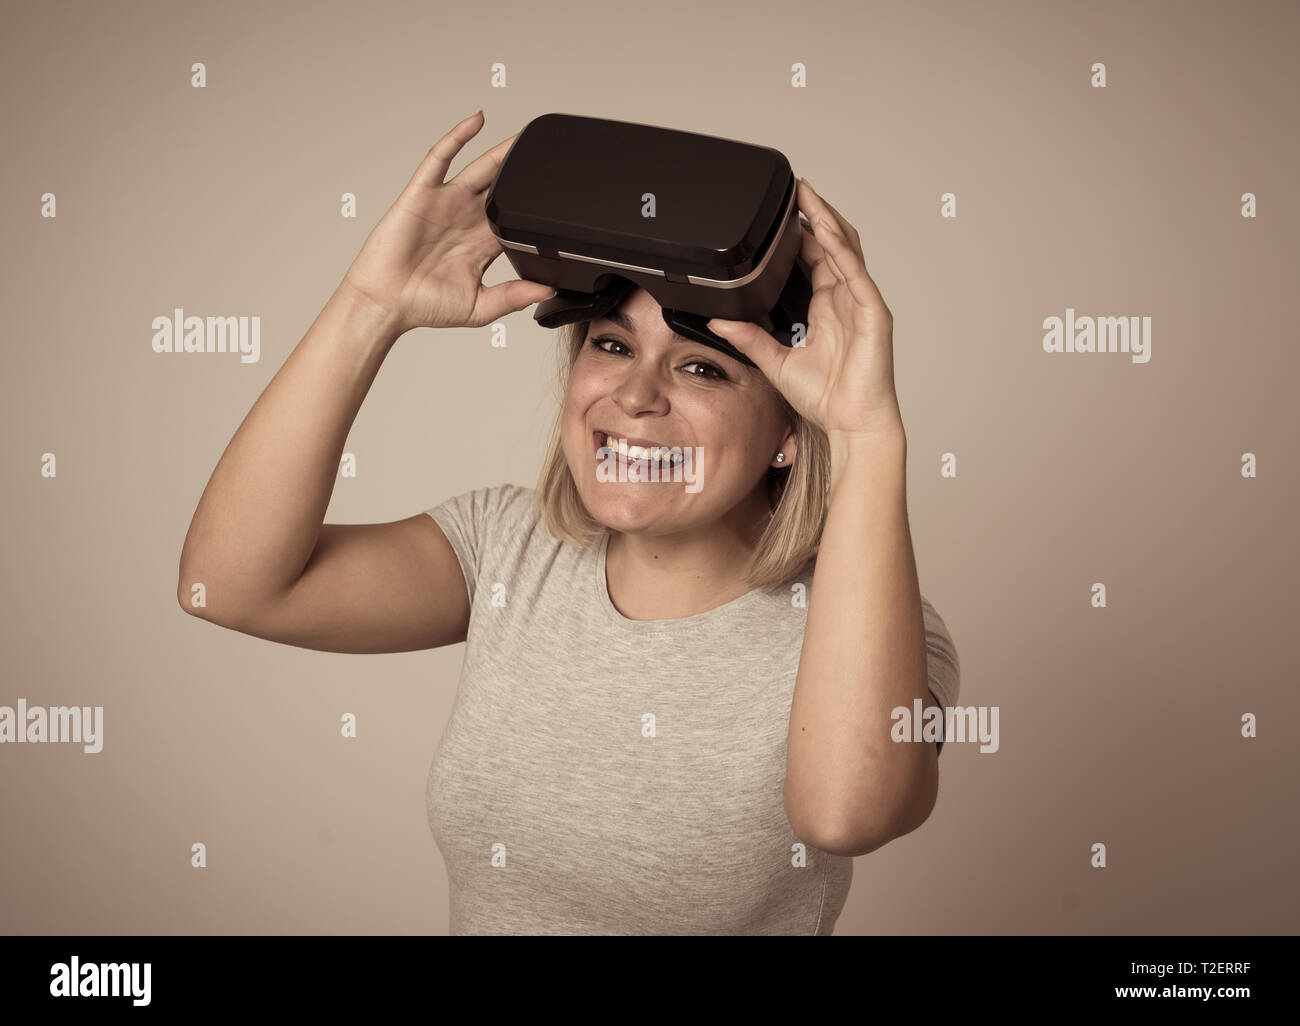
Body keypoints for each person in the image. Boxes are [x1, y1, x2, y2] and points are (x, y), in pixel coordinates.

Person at [177, 110, 961, 935]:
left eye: (702, 367)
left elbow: (849, 816)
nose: (636, 397)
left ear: (789, 433)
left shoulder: (877, 633)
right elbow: (226, 587)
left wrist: (866, 433)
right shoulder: (509, 549)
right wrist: (370, 305)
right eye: (612, 346)